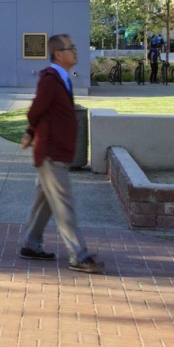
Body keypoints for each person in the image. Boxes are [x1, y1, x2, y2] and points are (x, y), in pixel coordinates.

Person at [18, 34, 104, 273]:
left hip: (56, 150)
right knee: (64, 206)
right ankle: (80, 255)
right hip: (51, 152)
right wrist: (31, 131)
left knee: (43, 203)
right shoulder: (50, 79)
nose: (75, 51)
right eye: (71, 47)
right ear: (58, 54)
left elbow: (43, 112)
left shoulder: (61, 78)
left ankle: (30, 245)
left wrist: (30, 132)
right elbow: (36, 110)